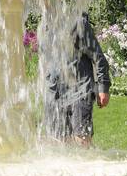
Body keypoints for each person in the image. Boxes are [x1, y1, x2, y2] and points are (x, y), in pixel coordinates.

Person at [44, 13, 110, 147]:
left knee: (82, 140)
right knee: (58, 142)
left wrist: (103, 87)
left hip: (80, 92)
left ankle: (92, 166)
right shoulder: (46, 26)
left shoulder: (78, 23)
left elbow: (98, 58)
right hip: (55, 93)